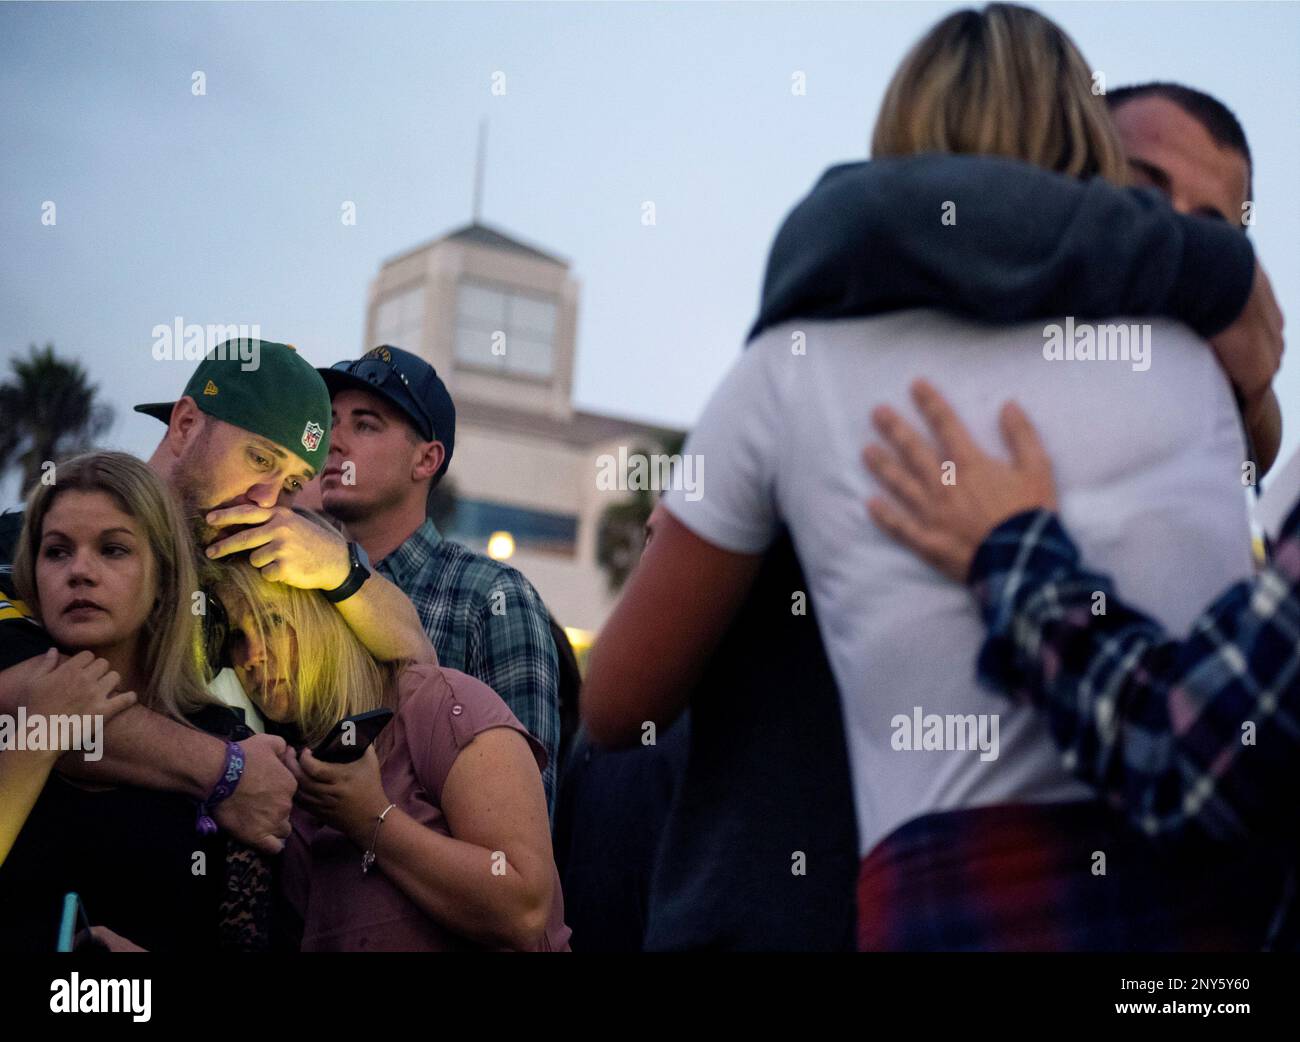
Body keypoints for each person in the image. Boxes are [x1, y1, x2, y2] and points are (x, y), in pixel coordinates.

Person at [583, 3, 1290, 950]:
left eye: (1213, 226)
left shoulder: (794, 366)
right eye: (1142, 195)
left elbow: (617, 704)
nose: (1165, 235)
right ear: (1083, 172)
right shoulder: (1193, 366)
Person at [0, 340, 435, 857]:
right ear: (185, 425)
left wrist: (342, 569)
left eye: (293, 483)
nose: (267, 500)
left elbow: (416, 652)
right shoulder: (37, 536)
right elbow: (28, 700)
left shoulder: (232, 579)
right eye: (259, 458)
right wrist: (224, 770)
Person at [211, 547, 570, 951]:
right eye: (237, 637)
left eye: (273, 620)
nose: (252, 656)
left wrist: (370, 820)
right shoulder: (280, 772)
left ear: (328, 611)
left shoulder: (438, 704)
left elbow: (523, 910)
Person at [0, 452, 272, 951]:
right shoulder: (7, 717)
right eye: (56, 551)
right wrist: (40, 735)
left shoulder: (228, 743)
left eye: (114, 550)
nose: (80, 571)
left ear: (165, 578)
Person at [315, 345, 560, 806]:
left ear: (426, 460)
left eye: (365, 424)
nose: (334, 441)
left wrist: (377, 824)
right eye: (330, 422)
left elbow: (525, 824)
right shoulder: (298, 583)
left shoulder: (492, 597)